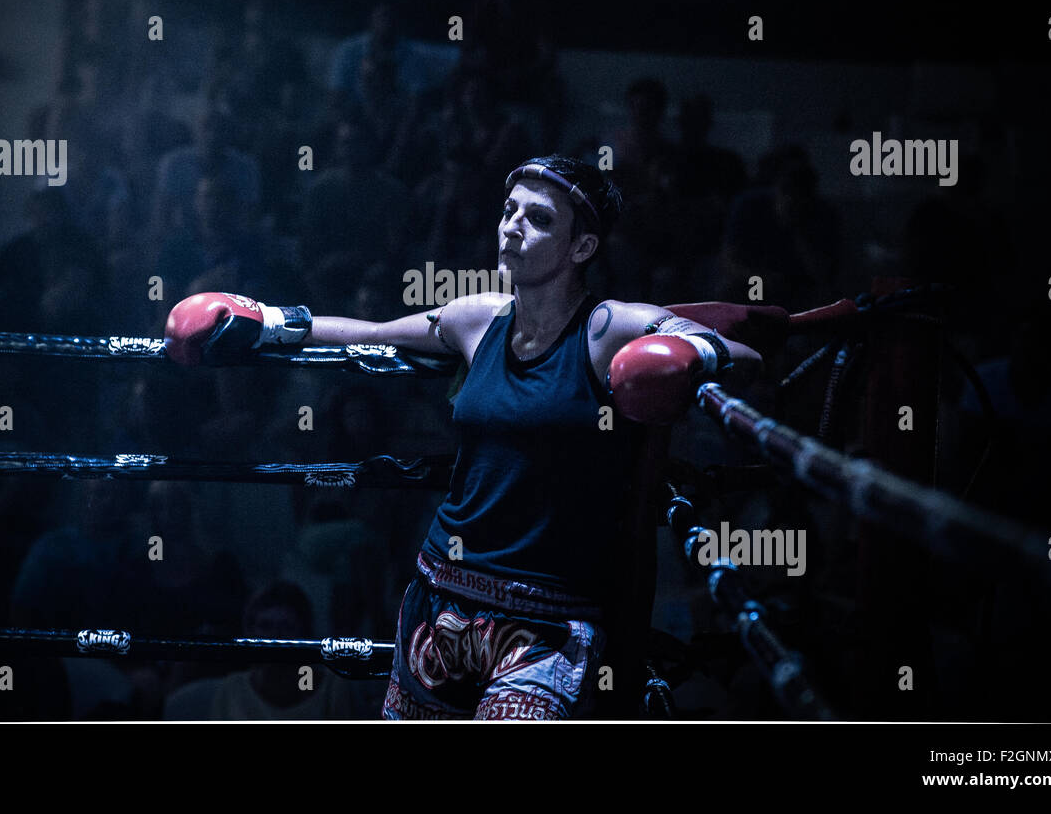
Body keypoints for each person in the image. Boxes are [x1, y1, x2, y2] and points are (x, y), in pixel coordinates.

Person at [163, 154, 764, 719]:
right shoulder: (480, 316)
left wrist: (687, 356)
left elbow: (745, 355)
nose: (513, 227)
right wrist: (268, 322)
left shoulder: (608, 327)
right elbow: (373, 333)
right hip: (442, 594)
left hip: (549, 618)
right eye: (510, 211)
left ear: (582, 246)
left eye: (539, 218)